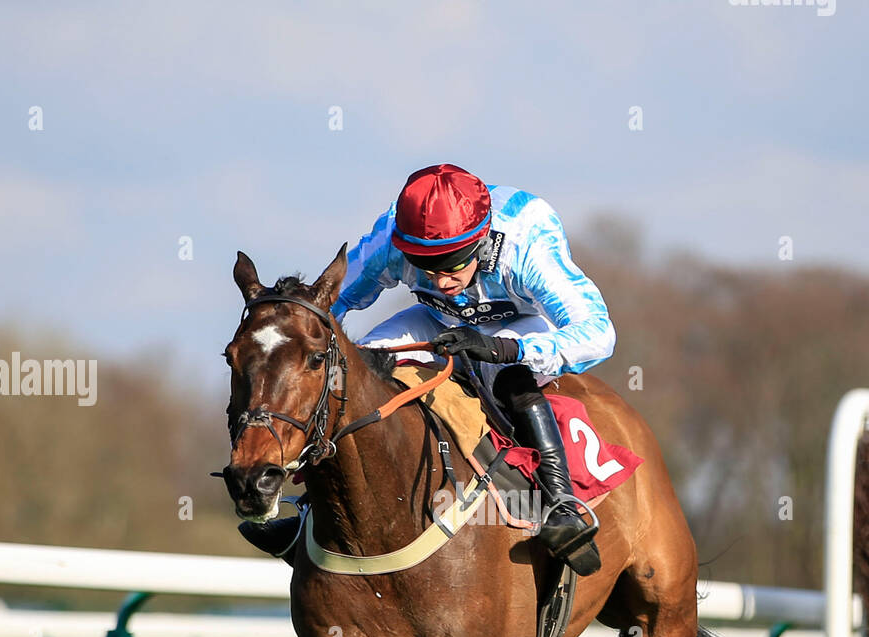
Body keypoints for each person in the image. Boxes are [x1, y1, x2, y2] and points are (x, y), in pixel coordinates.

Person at [241, 164, 614, 574]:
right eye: (426, 264)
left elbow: (598, 334)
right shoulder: (390, 240)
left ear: (481, 240)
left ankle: (562, 505)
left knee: (512, 380)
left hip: (519, 323)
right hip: (438, 320)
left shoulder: (526, 246)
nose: (439, 280)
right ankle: (309, 511)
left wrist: (501, 347)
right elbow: (327, 306)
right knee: (355, 370)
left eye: (452, 263)